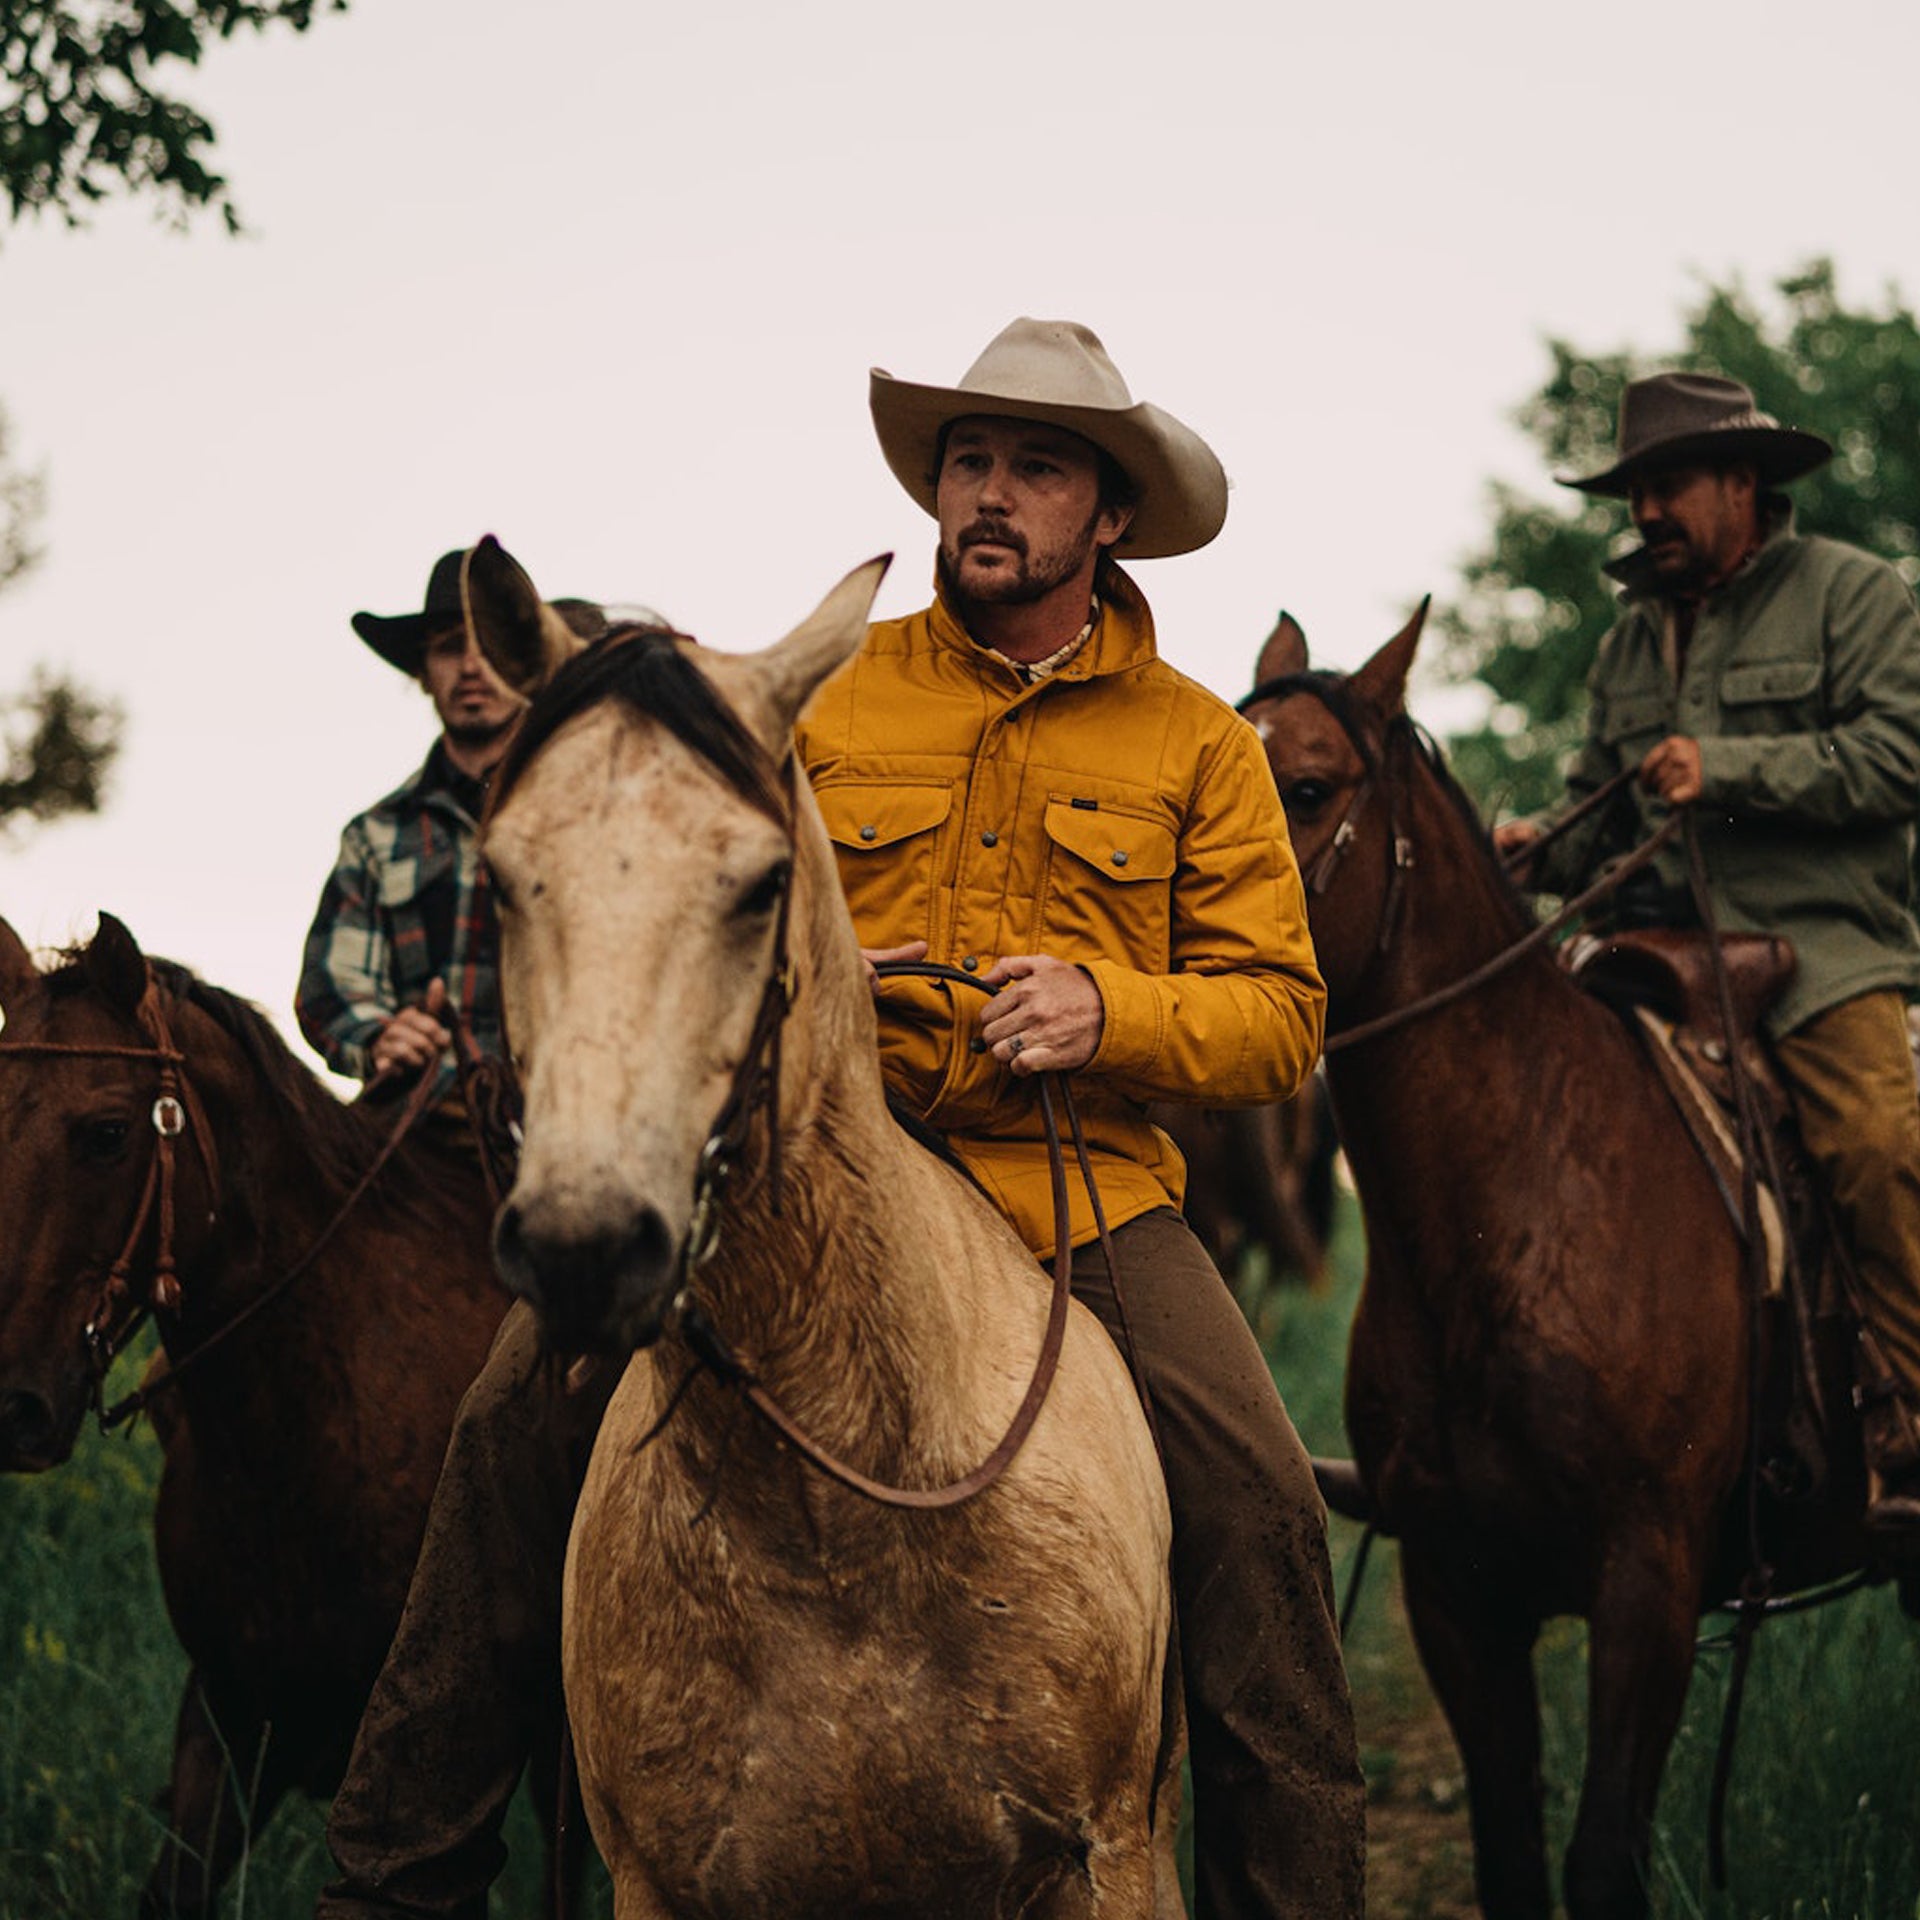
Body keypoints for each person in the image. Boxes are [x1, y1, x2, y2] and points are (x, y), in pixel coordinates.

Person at [316, 323, 1365, 1920]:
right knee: (505, 1424)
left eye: (1036, 465)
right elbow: (684, 877)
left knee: (1263, 1504)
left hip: (1072, 1196)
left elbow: (1281, 1016)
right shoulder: (810, 701)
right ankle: (395, 1881)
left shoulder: (1198, 746)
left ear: (1113, 516)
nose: (990, 493)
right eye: (968, 462)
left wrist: (1110, 1009)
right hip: (812, 1179)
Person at [1496, 370, 1920, 1532]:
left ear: (1743, 481)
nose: (1644, 513)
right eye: (1633, 492)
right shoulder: (1630, 640)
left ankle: (1915, 1427)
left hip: (1822, 948)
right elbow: (1602, 806)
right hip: (1658, 950)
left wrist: (1727, 768)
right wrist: (1544, 842)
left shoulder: (1856, 594)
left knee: (1875, 1146)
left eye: (1666, 486)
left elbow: (1900, 759)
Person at [297, 549, 609, 1095]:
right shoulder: (375, 834)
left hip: (564, 1113)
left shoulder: (592, 815)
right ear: (422, 673)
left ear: (524, 668)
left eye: (490, 647)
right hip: (421, 1129)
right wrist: (378, 1036)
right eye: (449, 648)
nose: (471, 666)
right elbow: (329, 988)